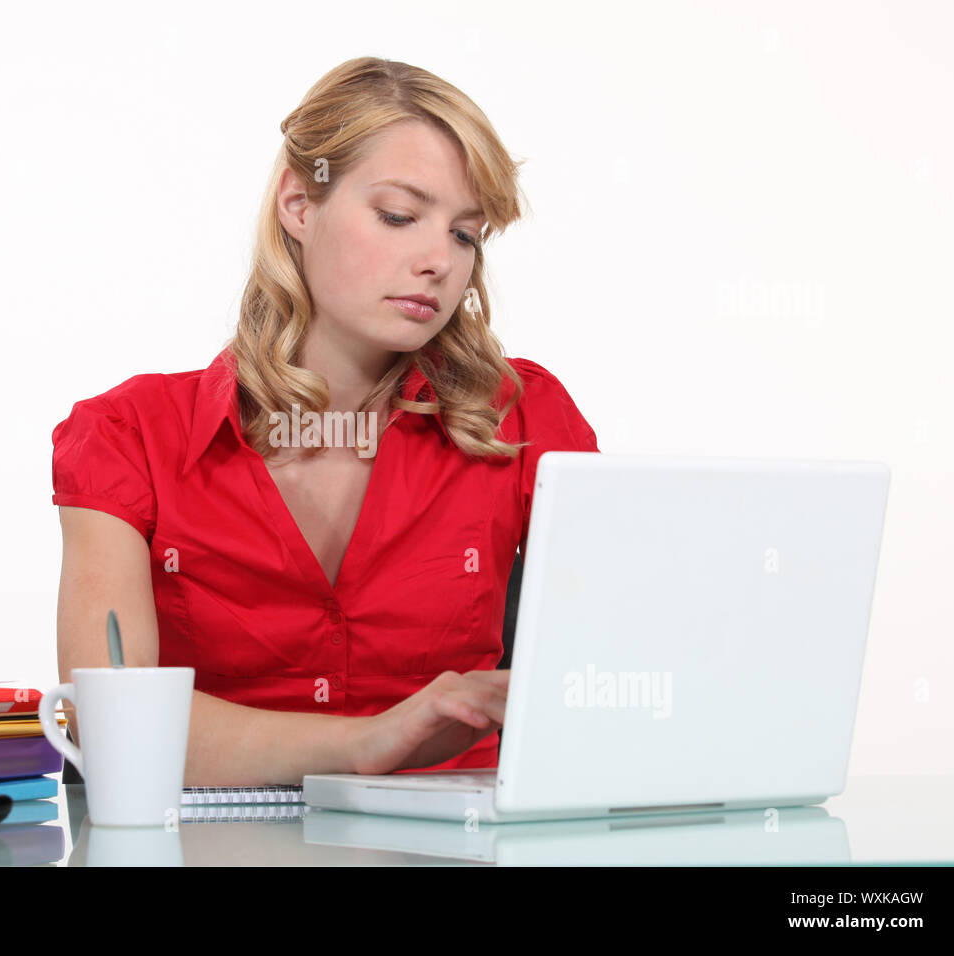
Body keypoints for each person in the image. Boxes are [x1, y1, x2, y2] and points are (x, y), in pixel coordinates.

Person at [51, 57, 599, 786]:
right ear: (299, 205)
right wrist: (364, 742)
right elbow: (111, 725)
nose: (439, 260)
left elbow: (619, 679)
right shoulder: (130, 435)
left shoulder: (524, 417)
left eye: (466, 235)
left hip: (452, 846)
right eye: (400, 216)